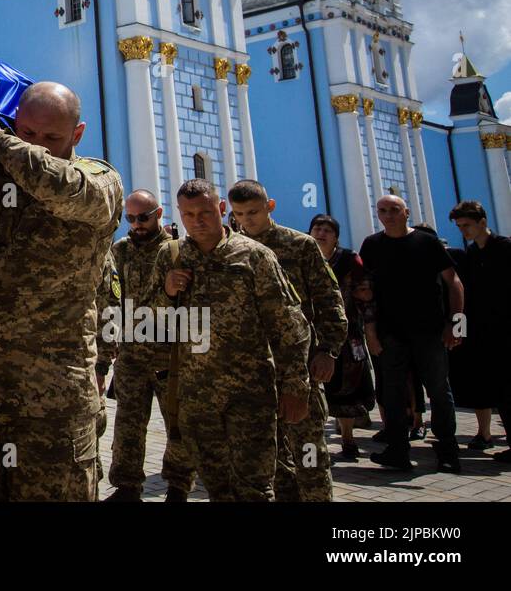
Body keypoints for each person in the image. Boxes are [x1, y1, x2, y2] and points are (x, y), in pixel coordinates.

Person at [0, 82, 123, 502]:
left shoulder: (99, 181)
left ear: (77, 135)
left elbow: (59, 185)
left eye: (51, 138)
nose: (36, 146)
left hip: (52, 396)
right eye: (28, 134)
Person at [156, 179, 310, 501]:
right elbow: (152, 323)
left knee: (253, 489)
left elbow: (289, 325)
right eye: (188, 214)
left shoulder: (255, 257)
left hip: (249, 396)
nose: (197, 221)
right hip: (197, 396)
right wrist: (167, 292)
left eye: (205, 212)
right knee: (217, 489)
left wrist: (296, 385)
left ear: (222, 209)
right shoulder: (171, 257)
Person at [228, 181, 347, 501]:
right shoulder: (232, 249)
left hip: (299, 368)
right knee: (275, 462)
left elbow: (329, 301)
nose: (246, 220)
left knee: (309, 455)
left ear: (270, 206)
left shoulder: (300, 246)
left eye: (253, 212)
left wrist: (329, 350)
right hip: (255, 373)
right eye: (239, 214)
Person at [360, 195, 463, 473]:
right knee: (392, 393)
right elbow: (365, 290)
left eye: (394, 210)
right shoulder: (372, 245)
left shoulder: (426, 242)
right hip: (390, 333)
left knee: (439, 390)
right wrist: (370, 331)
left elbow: (453, 281)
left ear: (406, 212)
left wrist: (457, 324)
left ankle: (448, 451)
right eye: (383, 210)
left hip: (429, 331)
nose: (389, 215)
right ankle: (397, 450)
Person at [104, 189, 195, 502]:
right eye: (130, 218)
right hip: (131, 354)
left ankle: (178, 487)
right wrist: (107, 342)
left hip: (170, 355)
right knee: (128, 423)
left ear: (158, 214)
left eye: (143, 217)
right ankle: (127, 487)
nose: (137, 224)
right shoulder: (120, 251)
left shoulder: (177, 251)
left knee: (178, 425)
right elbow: (109, 298)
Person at [307, 214, 378, 461]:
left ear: (336, 236)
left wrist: (370, 329)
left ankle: (347, 438)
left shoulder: (349, 260)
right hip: (310, 334)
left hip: (346, 335)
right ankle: (314, 444)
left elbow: (365, 294)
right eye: (317, 228)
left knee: (347, 385)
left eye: (327, 230)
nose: (321, 233)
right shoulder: (304, 258)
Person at [448, 201, 511, 459]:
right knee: (496, 388)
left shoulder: (505, 248)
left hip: (506, 329)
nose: (464, 231)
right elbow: (466, 297)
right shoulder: (471, 254)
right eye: (460, 226)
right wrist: (459, 329)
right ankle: (488, 435)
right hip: (484, 332)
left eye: (467, 225)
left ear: (482, 222)